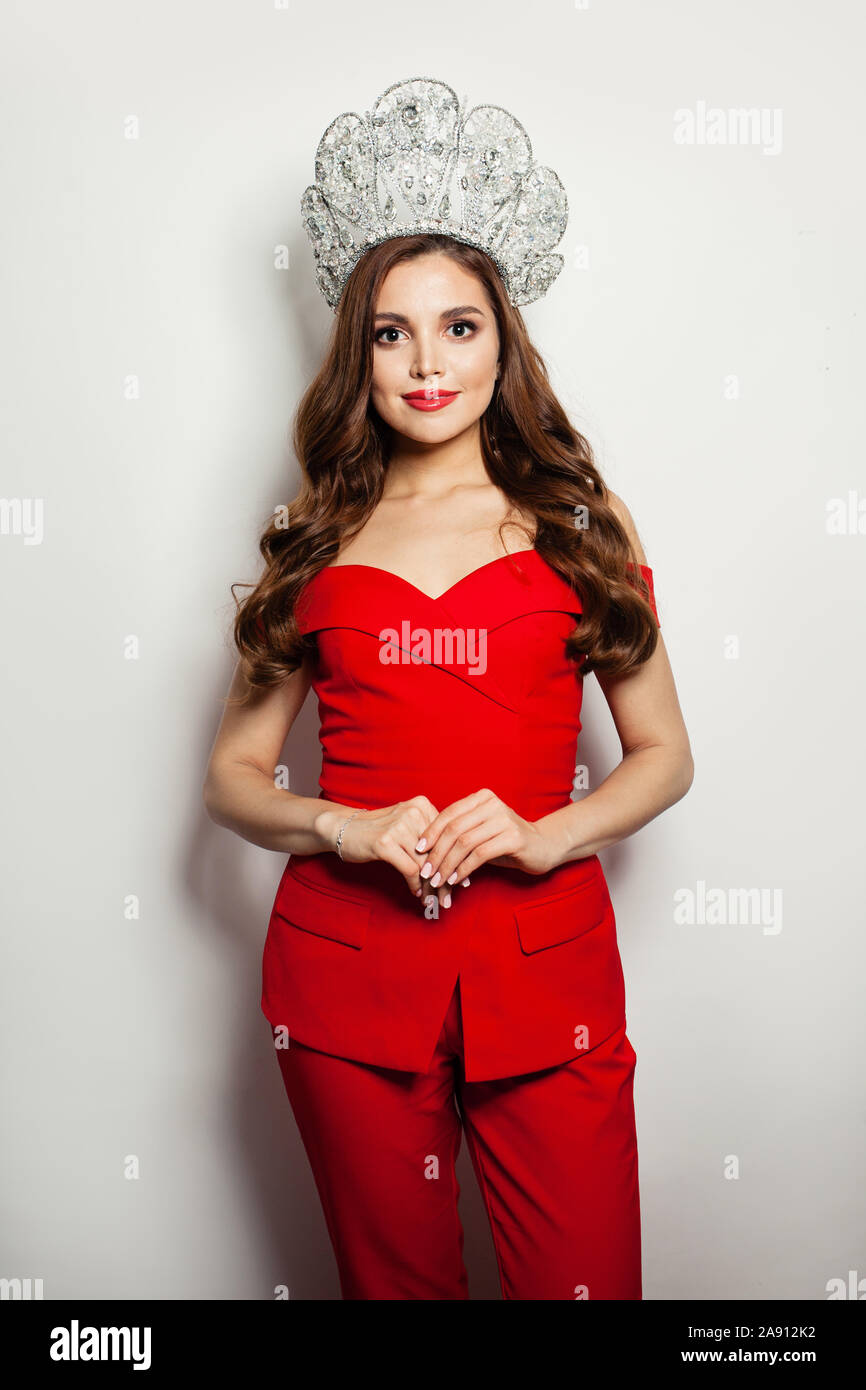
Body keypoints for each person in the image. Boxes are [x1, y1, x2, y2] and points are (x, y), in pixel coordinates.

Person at [203, 77, 694, 1300]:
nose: (427, 363)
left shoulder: (575, 519)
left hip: (546, 973)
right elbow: (225, 778)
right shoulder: (313, 535)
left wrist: (546, 832)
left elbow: (662, 754)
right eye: (391, 331)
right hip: (342, 981)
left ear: (502, 338)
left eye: (458, 326)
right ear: (357, 352)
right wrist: (338, 822)